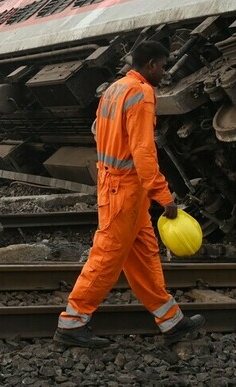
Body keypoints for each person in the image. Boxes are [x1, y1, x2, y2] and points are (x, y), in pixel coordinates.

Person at [54, 41, 205, 348]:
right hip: (125, 189)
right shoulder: (142, 94)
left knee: (144, 254)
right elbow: (143, 151)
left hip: (118, 186)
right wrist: (165, 197)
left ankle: (171, 321)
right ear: (150, 65)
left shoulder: (114, 89)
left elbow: (97, 130)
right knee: (107, 256)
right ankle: (72, 323)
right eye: (162, 66)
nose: (164, 72)